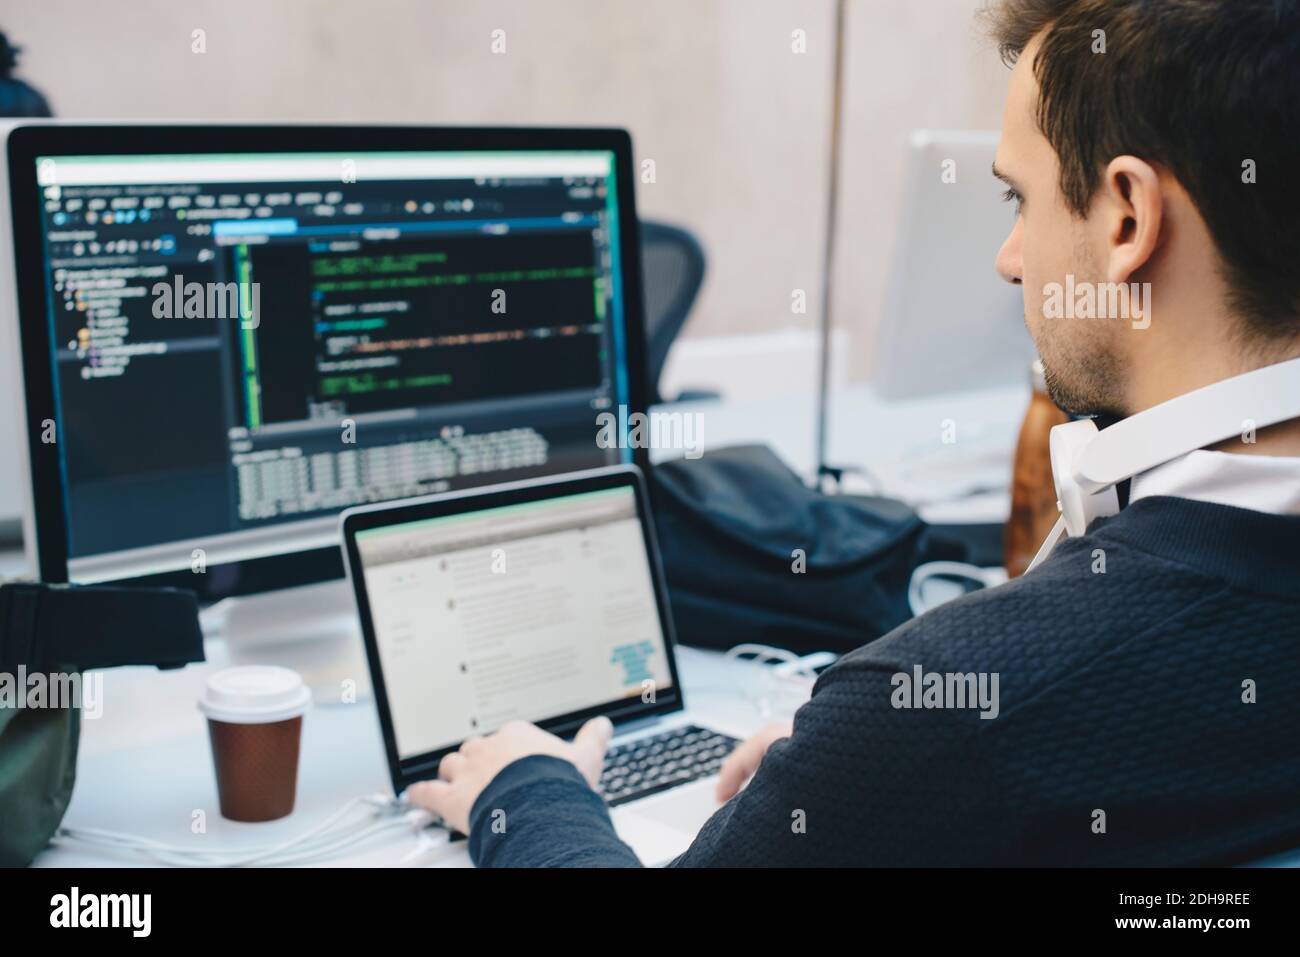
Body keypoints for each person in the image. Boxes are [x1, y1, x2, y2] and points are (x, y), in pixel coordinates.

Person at [409, 0, 1300, 866]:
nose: (1011, 258)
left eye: (1018, 200)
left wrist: (527, 792)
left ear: (1128, 220)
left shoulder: (946, 712)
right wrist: (855, 779)